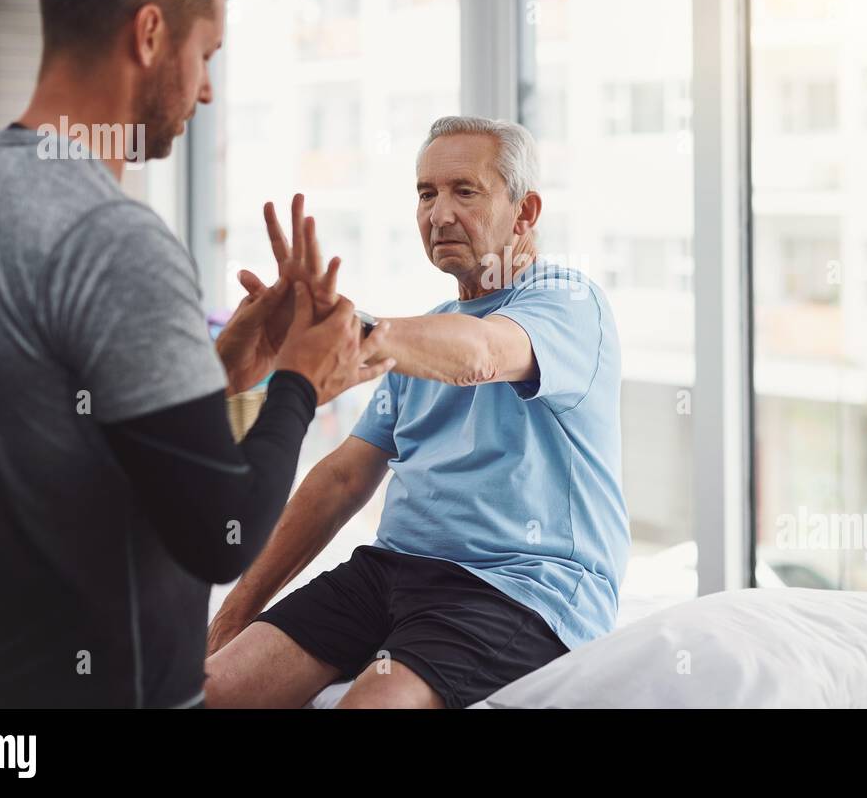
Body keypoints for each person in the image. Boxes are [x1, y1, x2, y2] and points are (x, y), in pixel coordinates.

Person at [0, 0, 391, 708]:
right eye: (205, 55)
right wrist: (300, 382)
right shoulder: (113, 237)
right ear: (150, 33)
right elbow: (221, 531)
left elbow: (50, 425)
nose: (207, 93)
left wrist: (218, 374)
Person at [205, 116, 630, 709]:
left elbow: (481, 354)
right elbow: (342, 478)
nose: (440, 213)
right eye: (426, 194)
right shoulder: (420, 334)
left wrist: (339, 332)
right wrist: (234, 615)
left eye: (465, 190)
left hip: (518, 588)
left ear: (526, 212)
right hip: (390, 573)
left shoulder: (567, 300)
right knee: (208, 693)